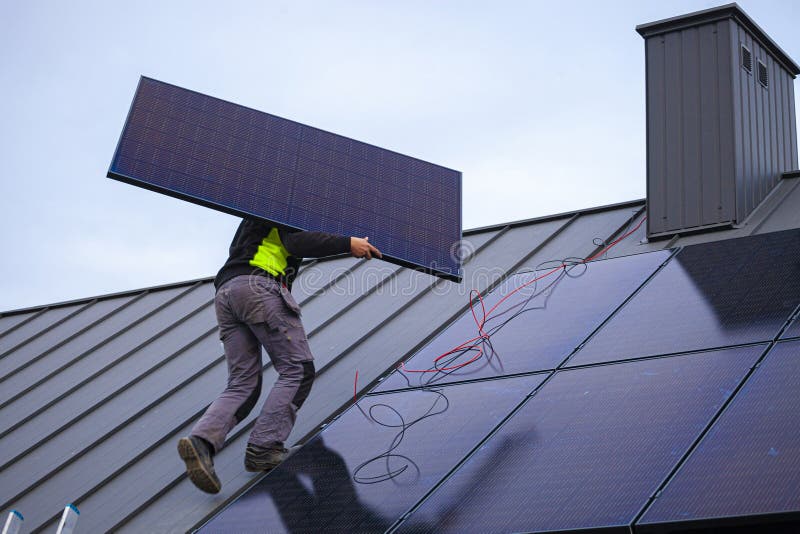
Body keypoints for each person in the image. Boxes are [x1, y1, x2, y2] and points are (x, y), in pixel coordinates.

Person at [178, 218, 382, 494]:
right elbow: (295, 241)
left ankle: (202, 442)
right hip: (259, 285)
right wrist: (347, 243)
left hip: (226, 292)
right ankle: (264, 447)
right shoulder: (286, 201)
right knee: (298, 369)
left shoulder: (256, 207)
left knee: (243, 382)